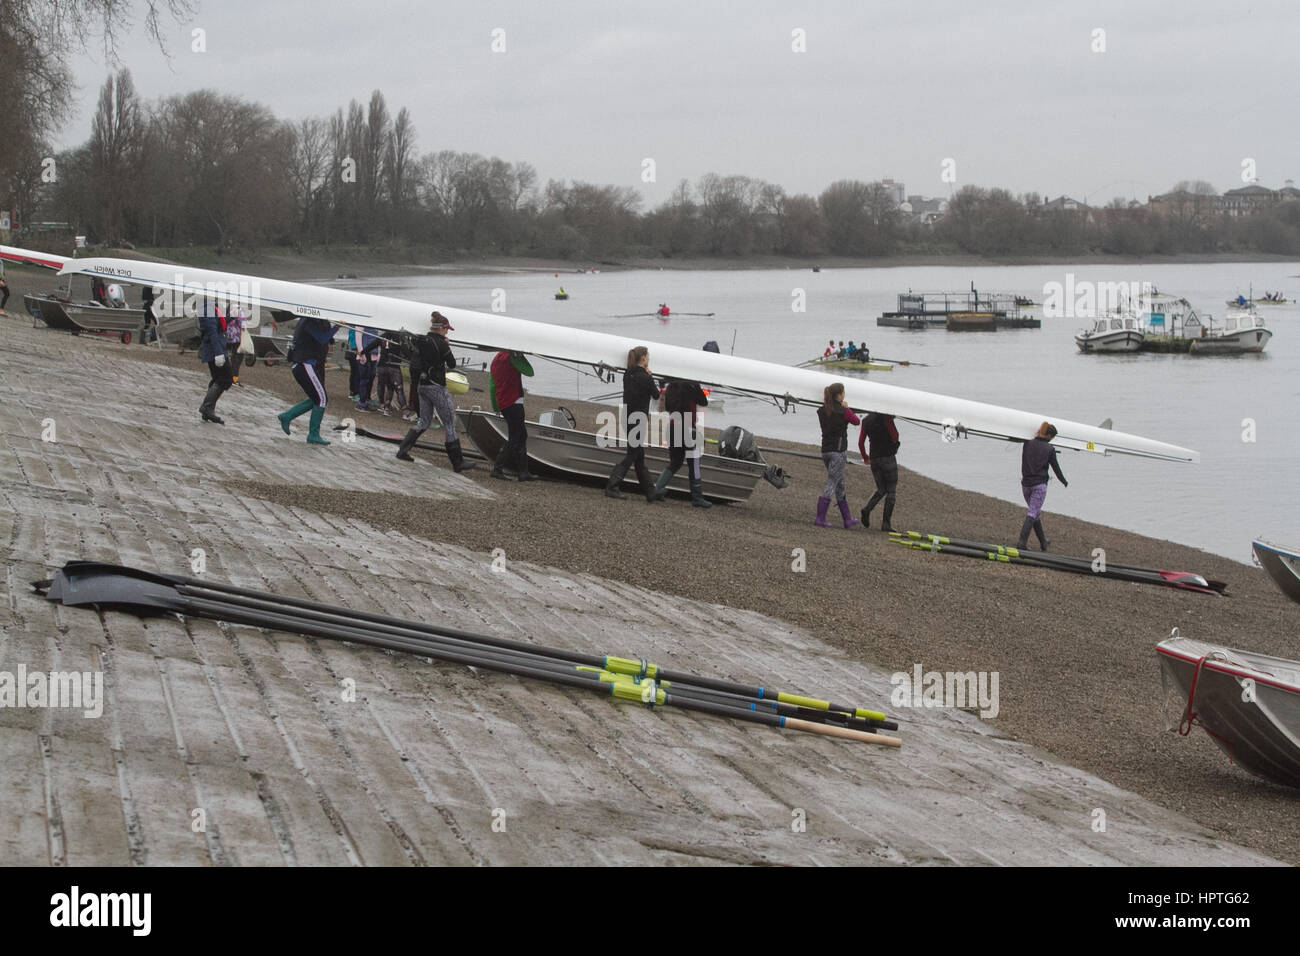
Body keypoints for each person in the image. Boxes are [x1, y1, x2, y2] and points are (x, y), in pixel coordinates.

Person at [395, 312, 475, 472]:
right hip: (436, 386)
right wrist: (447, 345)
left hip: (421, 386)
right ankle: (458, 463)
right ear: (441, 328)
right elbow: (452, 364)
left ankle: (402, 451)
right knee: (450, 423)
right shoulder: (442, 344)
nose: (448, 332)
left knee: (423, 421)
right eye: (447, 329)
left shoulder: (421, 340)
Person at [604, 346, 660, 501]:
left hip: (627, 416)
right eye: (648, 356)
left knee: (638, 456)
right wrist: (651, 376)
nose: (649, 357)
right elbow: (656, 395)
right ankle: (612, 485)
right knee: (633, 454)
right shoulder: (646, 378)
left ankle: (650, 491)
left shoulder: (628, 374)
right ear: (643, 358)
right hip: (639, 418)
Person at [649, 378, 711, 508]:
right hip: (688, 428)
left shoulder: (671, 386)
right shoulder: (691, 386)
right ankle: (697, 497)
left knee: (675, 463)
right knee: (694, 464)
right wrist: (697, 386)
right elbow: (703, 402)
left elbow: (667, 407)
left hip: (673, 427)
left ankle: (657, 489)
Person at [278, 316, 337, 445]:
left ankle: (287, 416)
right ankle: (313, 434)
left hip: (306, 364)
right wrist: (338, 326)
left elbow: (327, 339)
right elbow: (323, 338)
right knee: (321, 399)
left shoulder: (316, 320)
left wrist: (331, 329)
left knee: (317, 398)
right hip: (304, 364)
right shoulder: (308, 321)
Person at [815, 383, 860, 528]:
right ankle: (820, 518)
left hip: (826, 451)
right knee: (832, 482)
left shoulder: (822, 410)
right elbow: (856, 421)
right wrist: (847, 408)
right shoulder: (843, 411)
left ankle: (847, 519)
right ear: (839, 395)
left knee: (839, 484)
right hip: (838, 452)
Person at [1019, 421, 1068, 551]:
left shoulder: (1027, 443)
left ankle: (1043, 542)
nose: (1052, 440)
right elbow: (1056, 468)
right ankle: (1022, 542)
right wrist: (1063, 481)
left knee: (1035, 513)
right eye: (1052, 437)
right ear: (1049, 435)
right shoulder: (1050, 449)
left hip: (1026, 484)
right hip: (1039, 486)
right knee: (1032, 513)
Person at [489, 349, 536, 481]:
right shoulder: (512, 357)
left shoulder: (496, 359)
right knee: (515, 437)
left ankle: (523, 472)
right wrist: (520, 356)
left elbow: (492, 384)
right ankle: (497, 469)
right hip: (514, 401)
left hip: (503, 402)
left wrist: (495, 405)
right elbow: (529, 372)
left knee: (521, 435)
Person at [858, 410, 900, 531]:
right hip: (887, 457)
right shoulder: (886, 418)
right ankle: (886, 524)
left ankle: (866, 510)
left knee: (881, 489)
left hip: (874, 458)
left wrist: (865, 457)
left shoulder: (865, 420)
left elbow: (861, 442)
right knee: (891, 491)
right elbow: (895, 436)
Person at [197, 299, 233, 424]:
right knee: (226, 378)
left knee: (218, 378)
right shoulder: (208, 309)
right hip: (215, 350)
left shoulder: (213, 307)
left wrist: (231, 316)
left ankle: (208, 409)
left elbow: (219, 325)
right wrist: (218, 353)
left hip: (217, 348)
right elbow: (212, 332)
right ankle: (206, 407)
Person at [376, 335, 405, 415]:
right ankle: (406, 412)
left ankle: (384, 407)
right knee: (399, 389)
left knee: (387, 387)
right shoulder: (400, 338)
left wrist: (362, 352)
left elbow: (373, 344)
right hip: (393, 367)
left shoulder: (383, 336)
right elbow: (405, 352)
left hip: (382, 366)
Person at [355, 327, 381, 410]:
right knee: (364, 379)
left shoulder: (375, 325)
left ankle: (366, 400)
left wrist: (378, 354)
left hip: (374, 355)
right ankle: (361, 403)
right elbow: (358, 339)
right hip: (365, 355)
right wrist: (362, 354)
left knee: (371, 378)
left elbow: (378, 340)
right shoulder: (360, 325)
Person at [224, 304, 247, 384]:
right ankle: (234, 378)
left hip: (227, 336)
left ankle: (224, 375)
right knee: (237, 359)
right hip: (237, 338)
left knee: (225, 356)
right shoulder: (239, 309)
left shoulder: (227, 308)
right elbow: (242, 324)